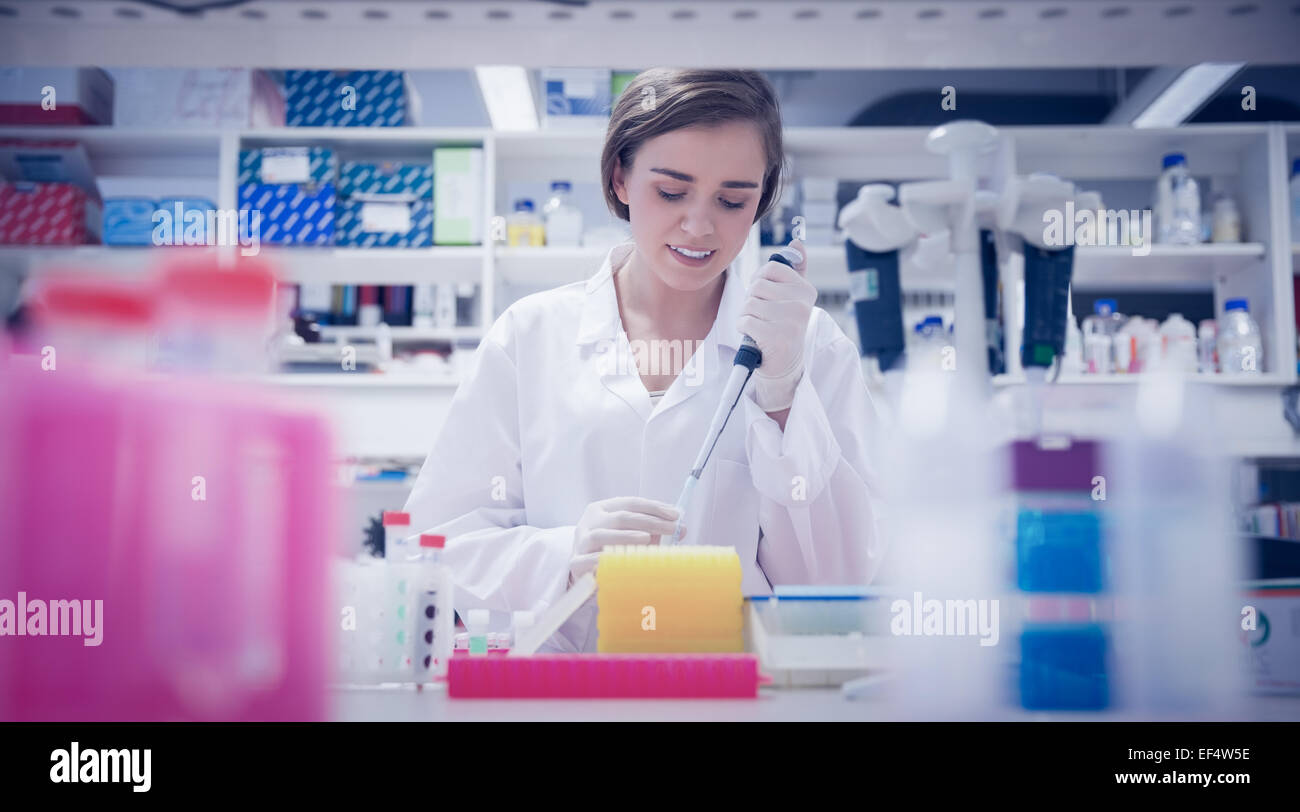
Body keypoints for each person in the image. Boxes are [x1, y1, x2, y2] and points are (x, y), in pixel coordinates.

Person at [404, 68, 884, 652]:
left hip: (733, 692)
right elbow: (433, 549)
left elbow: (840, 582)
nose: (699, 225)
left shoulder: (812, 346)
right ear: (620, 178)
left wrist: (784, 397)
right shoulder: (529, 337)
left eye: (733, 200)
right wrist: (564, 554)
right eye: (671, 191)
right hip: (558, 695)